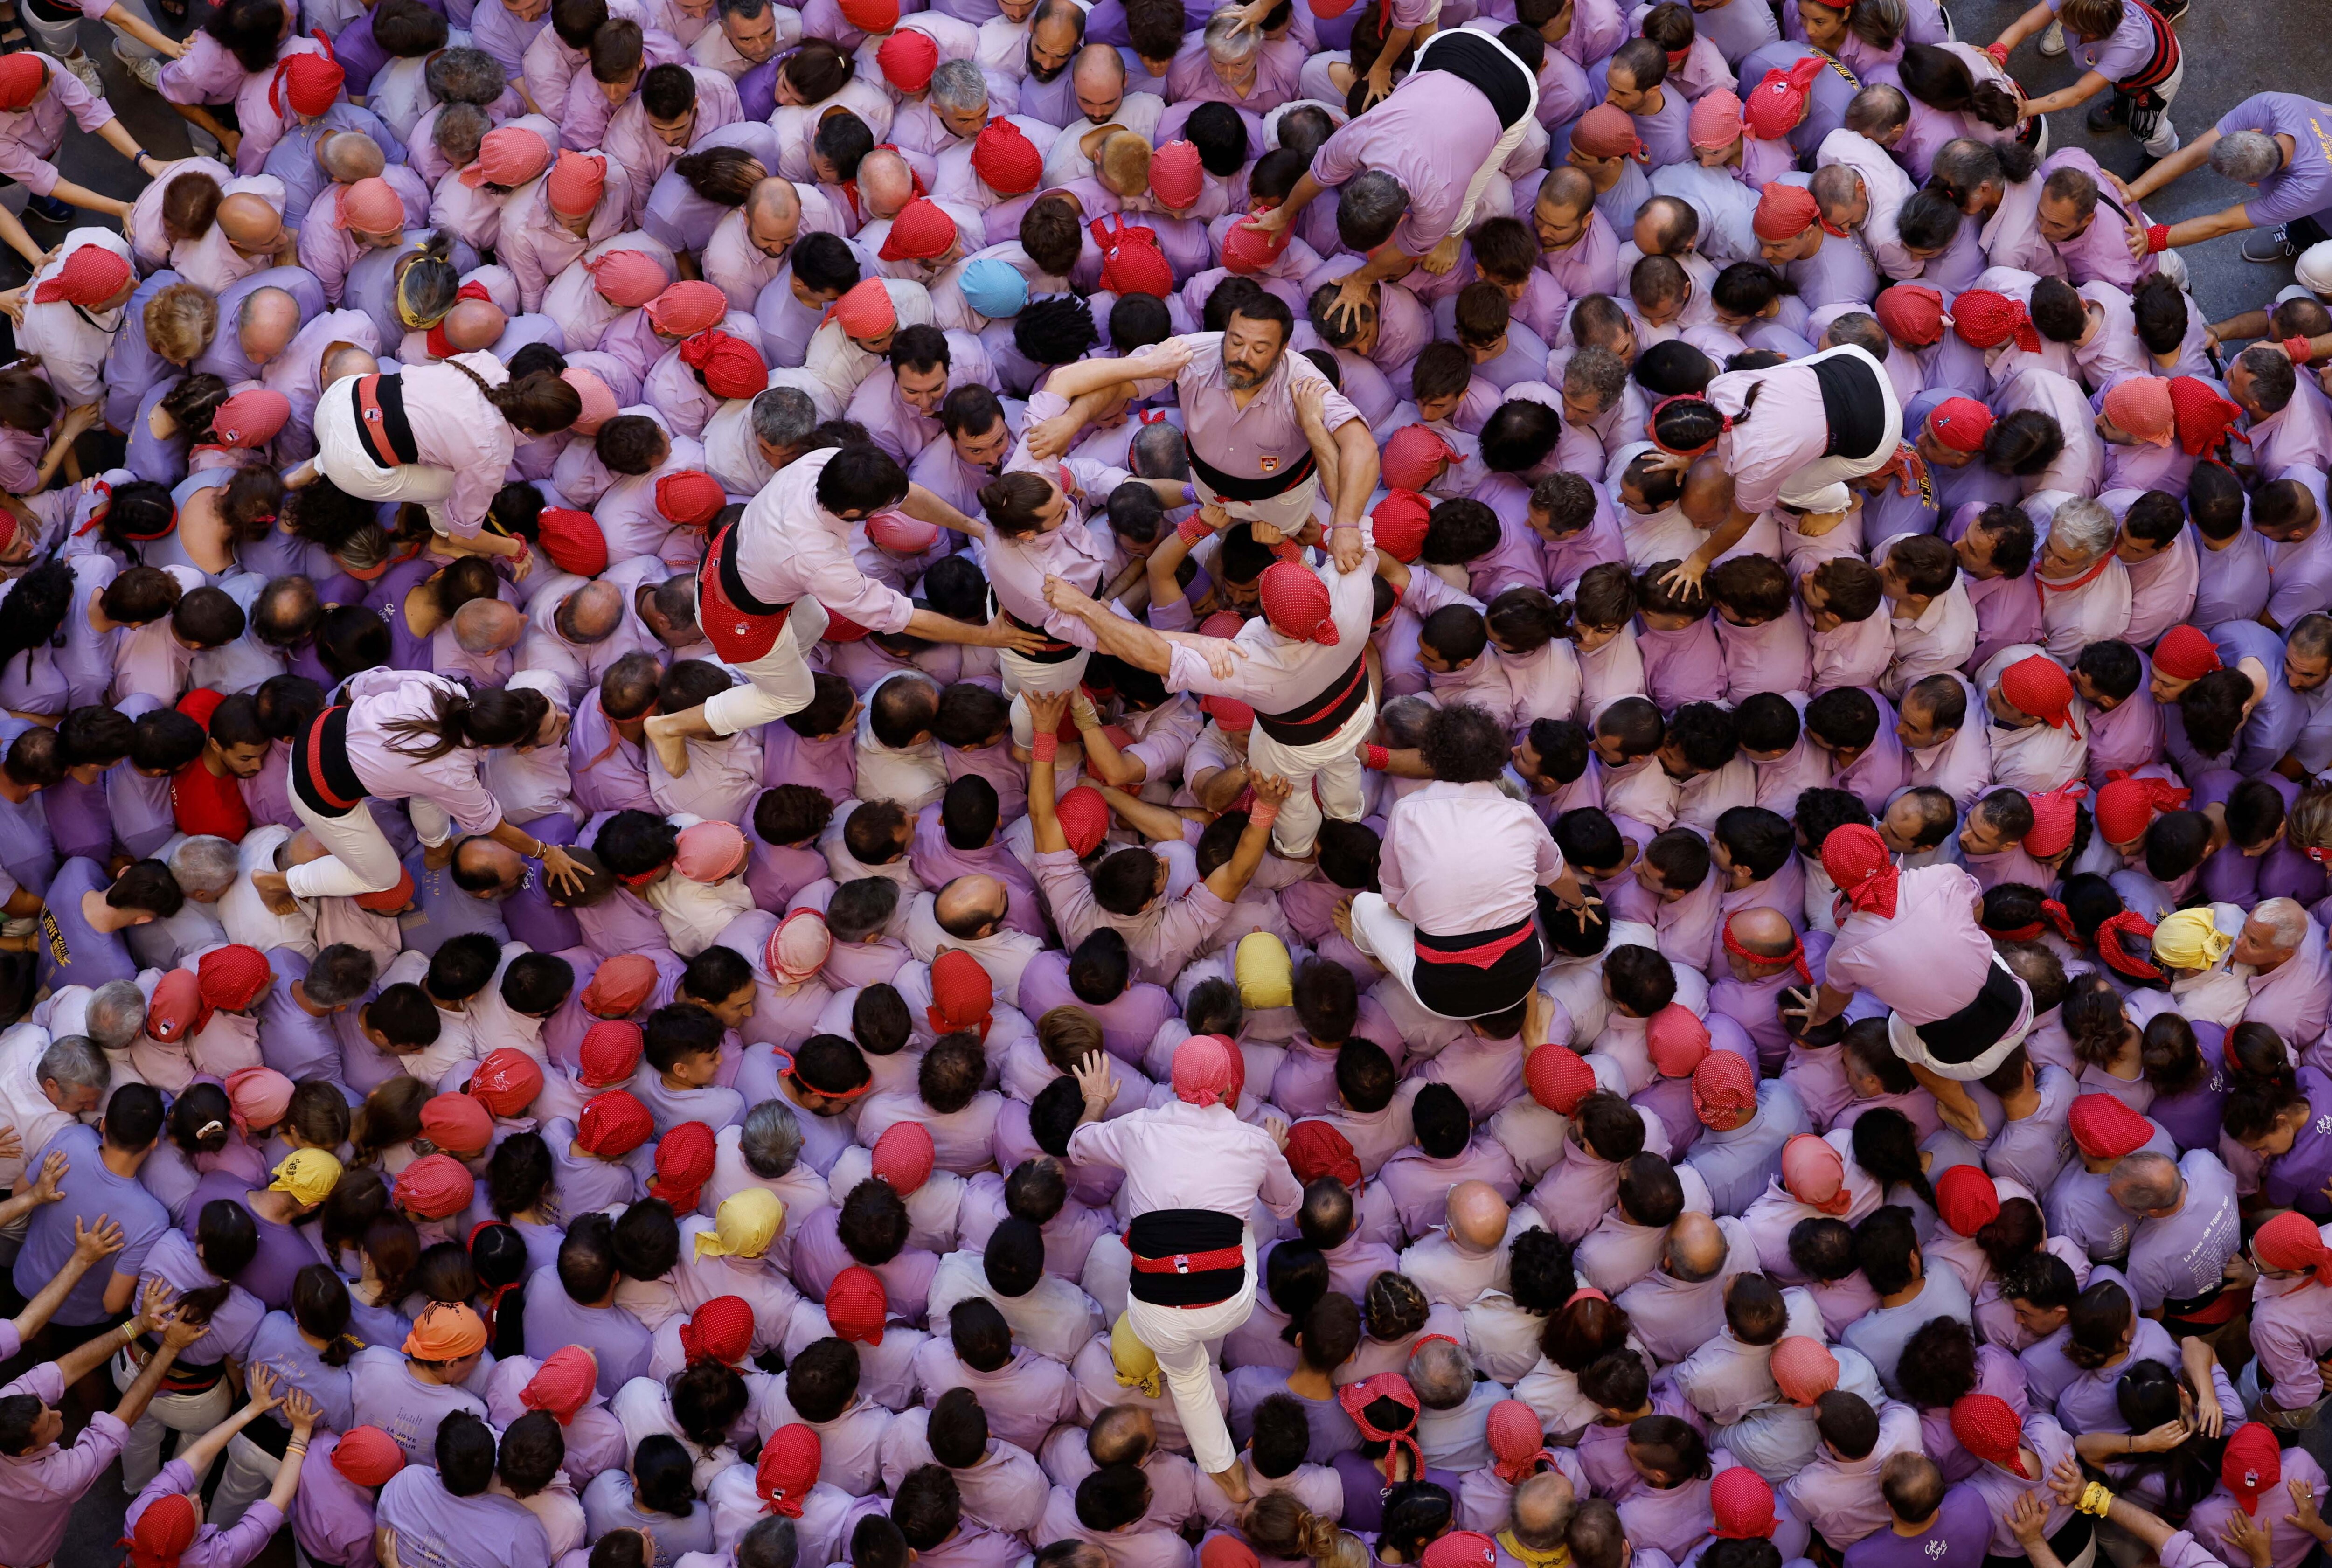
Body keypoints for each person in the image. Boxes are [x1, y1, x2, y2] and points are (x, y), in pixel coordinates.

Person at [1062, 1033, 1300, 1505]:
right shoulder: (1252, 1141)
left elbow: (1077, 1146)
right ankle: (1229, 1476)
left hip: (1157, 1311)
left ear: (1172, 1082)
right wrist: (1267, 1154)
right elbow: (1288, 1202)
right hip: (1229, 1302)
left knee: (1189, 1379)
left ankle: (1229, 1478)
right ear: (1231, 1087)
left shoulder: (1139, 1128)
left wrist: (1094, 1101)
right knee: (1241, 1221)